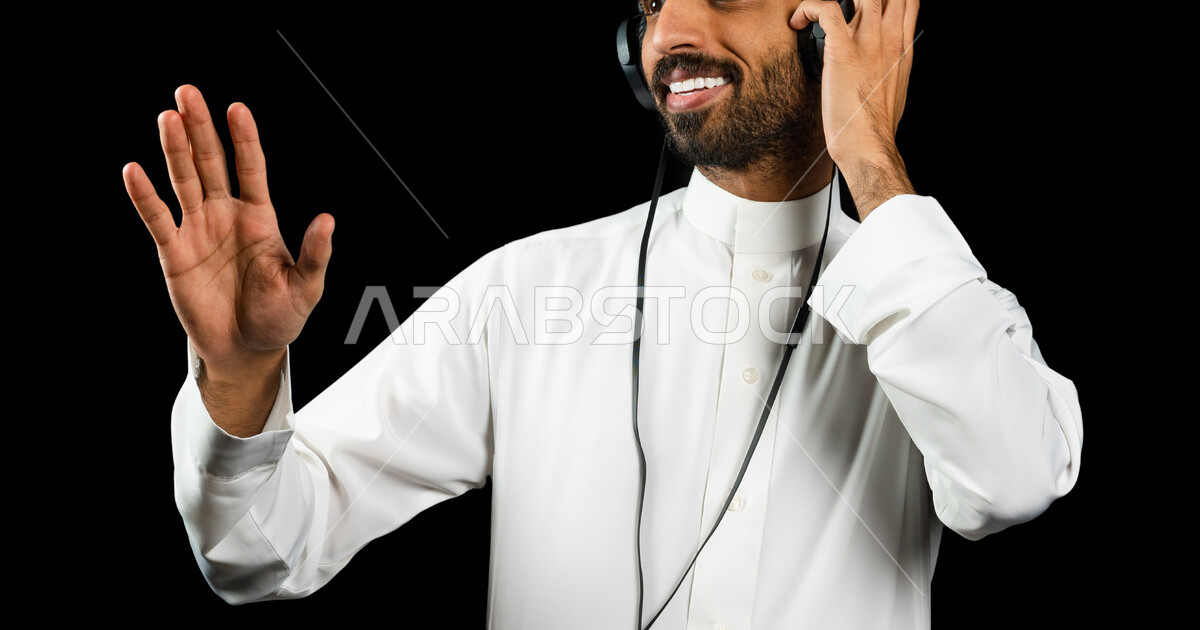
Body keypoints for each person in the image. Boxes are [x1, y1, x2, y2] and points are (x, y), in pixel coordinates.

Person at [123, 1, 1082, 628]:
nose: (672, 34)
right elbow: (258, 548)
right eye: (655, 6)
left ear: (839, 28)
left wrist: (871, 148)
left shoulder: (933, 301)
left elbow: (1009, 479)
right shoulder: (526, 290)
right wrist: (242, 376)